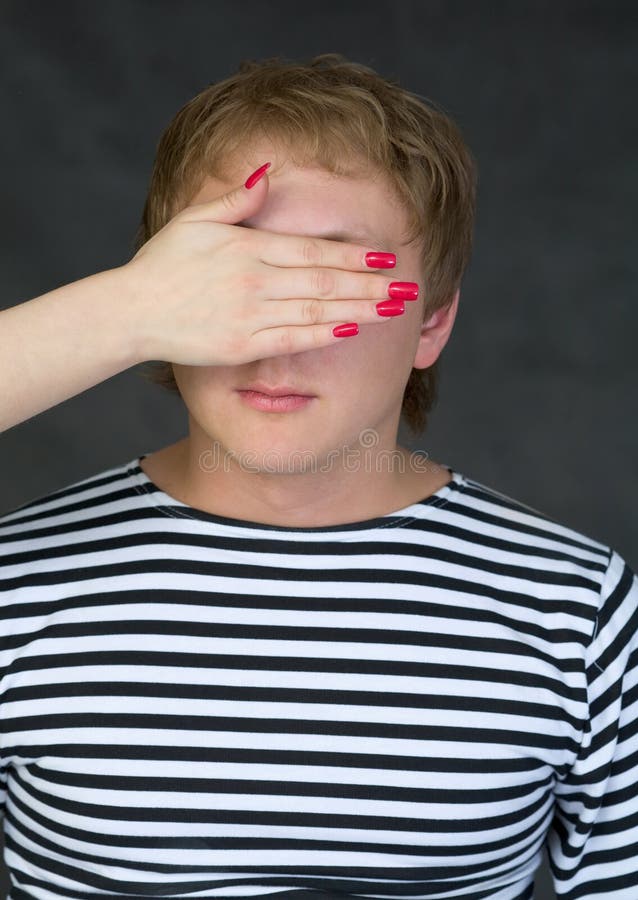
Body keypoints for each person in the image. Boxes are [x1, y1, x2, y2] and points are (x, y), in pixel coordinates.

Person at [0, 53, 636, 900]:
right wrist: (123, 310)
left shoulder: (580, 612)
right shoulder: (17, 584)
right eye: (235, 279)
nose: (276, 335)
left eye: (330, 283)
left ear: (431, 322)